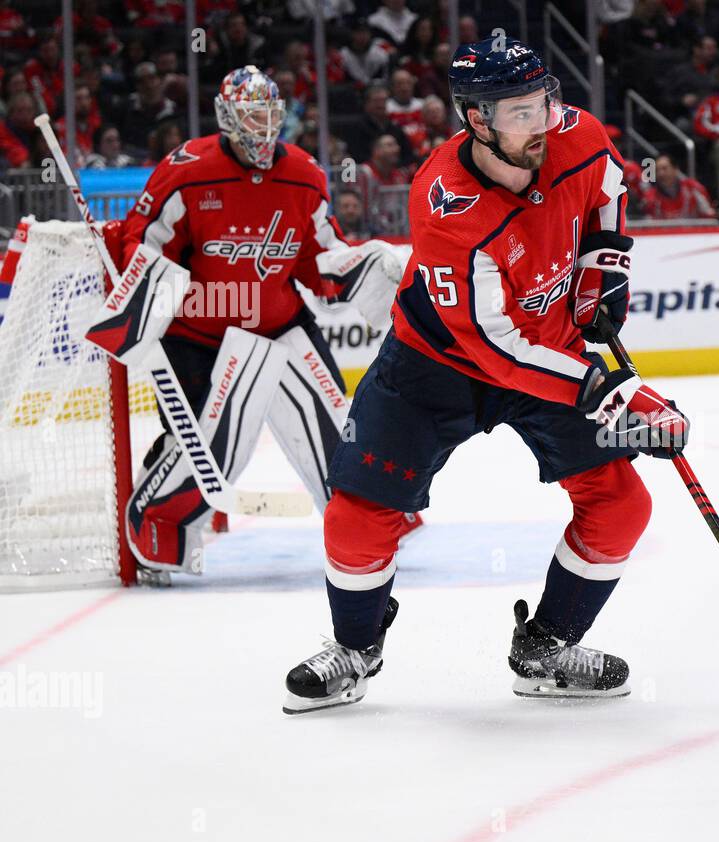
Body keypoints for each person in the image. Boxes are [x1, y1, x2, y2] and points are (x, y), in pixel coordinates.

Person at [282, 40, 689, 713]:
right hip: (435, 365)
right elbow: (498, 350)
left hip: (550, 348)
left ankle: (546, 647)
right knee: (358, 512)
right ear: (477, 120)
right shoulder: (446, 209)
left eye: (546, 103)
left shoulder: (575, 134)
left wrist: (603, 264)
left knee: (622, 503)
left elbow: (610, 190)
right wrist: (616, 393)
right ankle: (355, 647)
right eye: (522, 113)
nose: (545, 122)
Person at [95, 66, 403, 579]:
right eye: (251, 116)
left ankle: (366, 523)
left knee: (335, 428)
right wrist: (146, 292)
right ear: (227, 118)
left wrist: (364, 266)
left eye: (269, 116)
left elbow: (320, 255)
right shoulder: (187, 168)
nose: (262, 129)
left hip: (282, 324)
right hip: (197, 334)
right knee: (200, 447)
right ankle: (158, 525)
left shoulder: (304, 172)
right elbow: (144, 239)